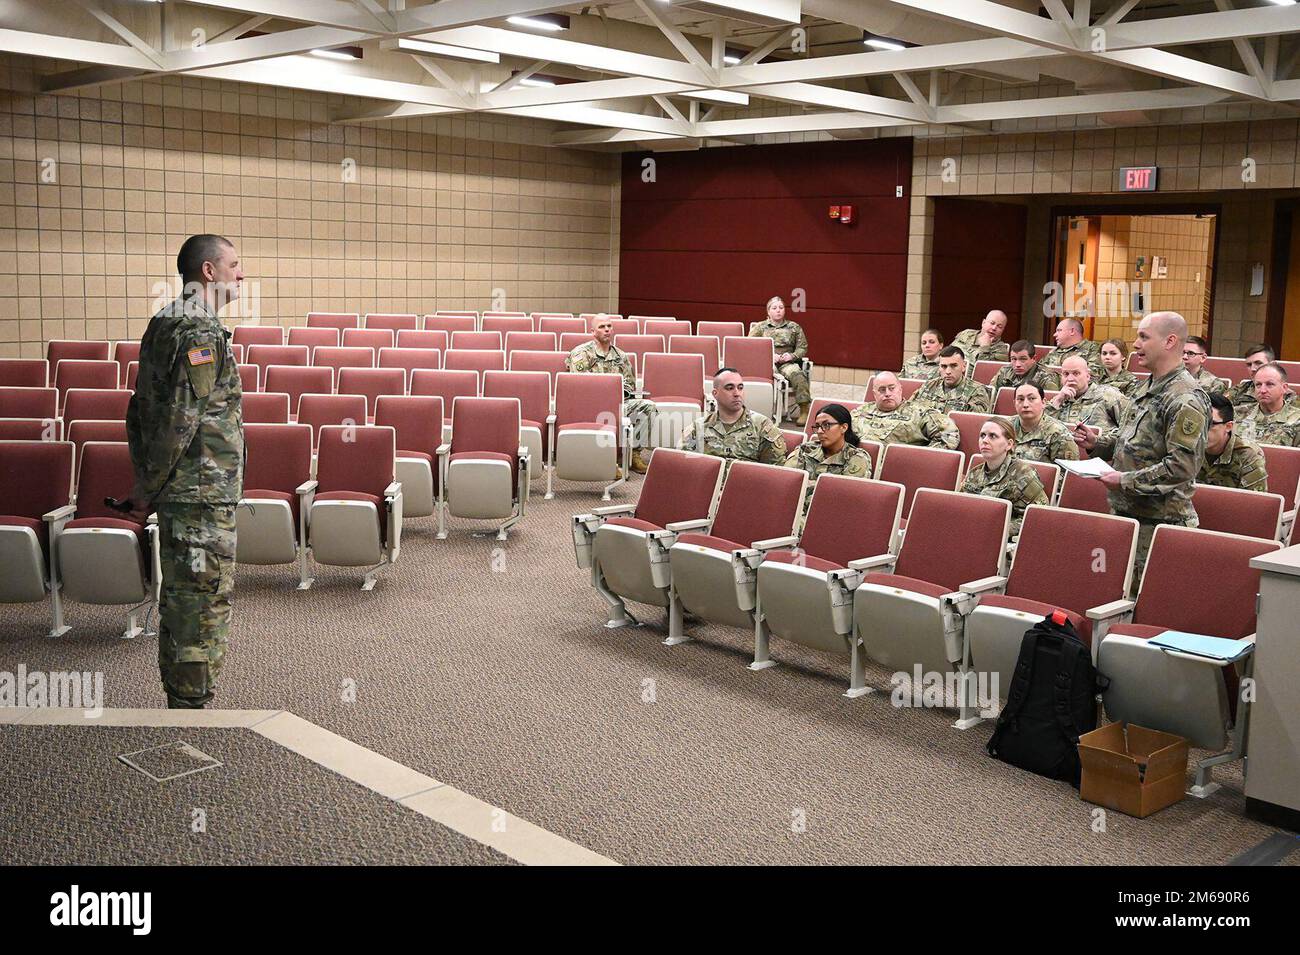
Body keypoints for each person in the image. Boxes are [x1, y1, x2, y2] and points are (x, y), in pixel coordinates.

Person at [126, 234, 244, 709]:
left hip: (185, 490)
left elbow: (138, 411)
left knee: (183, 596)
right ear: (208, 272)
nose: (242, 274)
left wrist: (148, 481)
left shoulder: (166, 320)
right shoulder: (199, 331)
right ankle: (190, 706)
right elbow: (181, 417)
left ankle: (184, 698)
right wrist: (147, 487)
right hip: (200, 492)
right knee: (200, 601)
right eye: (234, 264)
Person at [1075, 311, 1209, 586]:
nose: (1135, 344)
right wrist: (1098, 444)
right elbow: (1133, 440)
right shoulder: (1146, 386)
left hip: (1160, 525)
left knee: (1143, 606)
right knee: (1110, 595)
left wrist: (1124, 480)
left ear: (1170, 341)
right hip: (1127, 515)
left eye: (1144, 337)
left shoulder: (1185, 398)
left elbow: (1182, 467)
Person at [566, 314, 657, 473]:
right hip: (589, 405)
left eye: (609, 326)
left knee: (648, 406)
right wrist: (606, 392)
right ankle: (606, 458)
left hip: (618, 403)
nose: (607, 329)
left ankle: (633, 454)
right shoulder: (581, 353)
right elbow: (579, 385)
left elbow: (630, 384)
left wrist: (618, 392)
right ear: (593, 332)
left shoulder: (621, 356)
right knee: (605, 412)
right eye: (602, 327)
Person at [784, 403, 873, 526]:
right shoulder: (805, 450)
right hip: (794, 511)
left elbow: (844, 498)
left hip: (830, 520)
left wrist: (806, 485)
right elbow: (786, 483)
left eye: (827, 425)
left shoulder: (857, 458)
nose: (820, 431)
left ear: (843, 427)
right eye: (817, 426)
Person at [679, 367, 786, 465]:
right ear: (715, 394)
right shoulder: (698, 428)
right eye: (729, 388)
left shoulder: (762, 425)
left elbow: (776, 471)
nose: (737, 393)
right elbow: (685, 467)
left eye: (740, 388)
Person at [961, 418, 1048, 537]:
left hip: (1005, 540)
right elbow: (961, 508)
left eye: (992, 436)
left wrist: (999, 528)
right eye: (982, 435)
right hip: (974, 533)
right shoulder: (974, 473)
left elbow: (1038, 517)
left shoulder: (1022, 474)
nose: (985, 441)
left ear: (1009, 444)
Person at [849, 372, 959, 449]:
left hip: (896, 467)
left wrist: (922, 457)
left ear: (900, 389)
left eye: (892, 388)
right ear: (874, 394)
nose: (887, 393)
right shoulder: (861, 411)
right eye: (882, 390)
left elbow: (950, 435)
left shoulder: (919, 412)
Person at [749, 295, 811, 425]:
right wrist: (769, 356)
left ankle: (804, 410)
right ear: (768, 311)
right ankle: (760, 411)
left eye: (781, 307)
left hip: (787, 362)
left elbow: (802, 347)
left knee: (798, 375)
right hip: (766, 363)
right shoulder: (760, 327)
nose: (778, 310)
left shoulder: (794, 327)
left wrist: (792, 356)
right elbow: (749, 345)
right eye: (774, 308)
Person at [1198, 393, 1268, 493]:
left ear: (1228, 426)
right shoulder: (1185, 446)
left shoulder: (1248, 455)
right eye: (1198, 421)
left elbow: (1255, 503)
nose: (1201, 430)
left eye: (1210, 424)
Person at [1047, 355, 1128, 429]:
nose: (1070, 379)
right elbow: (1042, 430)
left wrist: (1098, 441)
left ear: (1087, 376)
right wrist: (1057, 402)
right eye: (1066, 374)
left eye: (1076, 373)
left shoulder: (1108, 395)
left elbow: (1128, 430)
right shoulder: (1058, 400)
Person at [1011, 381, 1079, 463]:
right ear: (1014, 403)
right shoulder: (1003, 427)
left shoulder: (1059, 433)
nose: (1025, 404)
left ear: (1043, 403)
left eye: (1031, 399)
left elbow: (1068, 473)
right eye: (1020, 399)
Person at [911, 346, 992, 414]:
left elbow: (973, 424)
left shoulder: (977, 391)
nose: (948, 372)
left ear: (963, 366)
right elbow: (911, 411)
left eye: (953, 366)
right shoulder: (928, 386)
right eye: (944, 366)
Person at [1236, 362, 1300, 447]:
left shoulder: (1297, 420)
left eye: (1270, 384)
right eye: (1258, 385)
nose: (1263, 390)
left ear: (1284, 388)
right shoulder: (1237, 414)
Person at [991, 338, 1060, 393]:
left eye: (1023, 359)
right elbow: (991, 395)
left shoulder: (1047, 376)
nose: (1017, 365)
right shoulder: (1005, 371)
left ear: (1034, 359)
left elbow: (1050, 405)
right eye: (1014, 359)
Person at [1226, 343, 1274, 414]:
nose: (1253, 369)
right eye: (1249, 365)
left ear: (1273, 365)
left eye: (1258, 363)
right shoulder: (1238, 390)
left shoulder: (1286, 395)